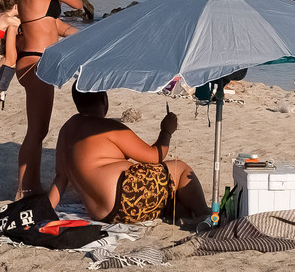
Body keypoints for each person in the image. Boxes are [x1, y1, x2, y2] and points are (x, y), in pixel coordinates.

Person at [48, 86, 207, 224]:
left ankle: (181, 212)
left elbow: (61, 177)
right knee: (180, 169)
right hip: (126, 197)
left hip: (102, 214)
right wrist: (166, 131)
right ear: (104, 100)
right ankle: (204, 214)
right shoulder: (109, 127)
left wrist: (47, 211)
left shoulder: (67, 130)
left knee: (168, 190)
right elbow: (155, 156)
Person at [15, 0, 82, 197]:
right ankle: (23, 188)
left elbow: (55, 24)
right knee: (36, 131)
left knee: (38, 130)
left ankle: (31, 185)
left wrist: (93, 37)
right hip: (37, 62)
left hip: (33, 60)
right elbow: (77, 3)